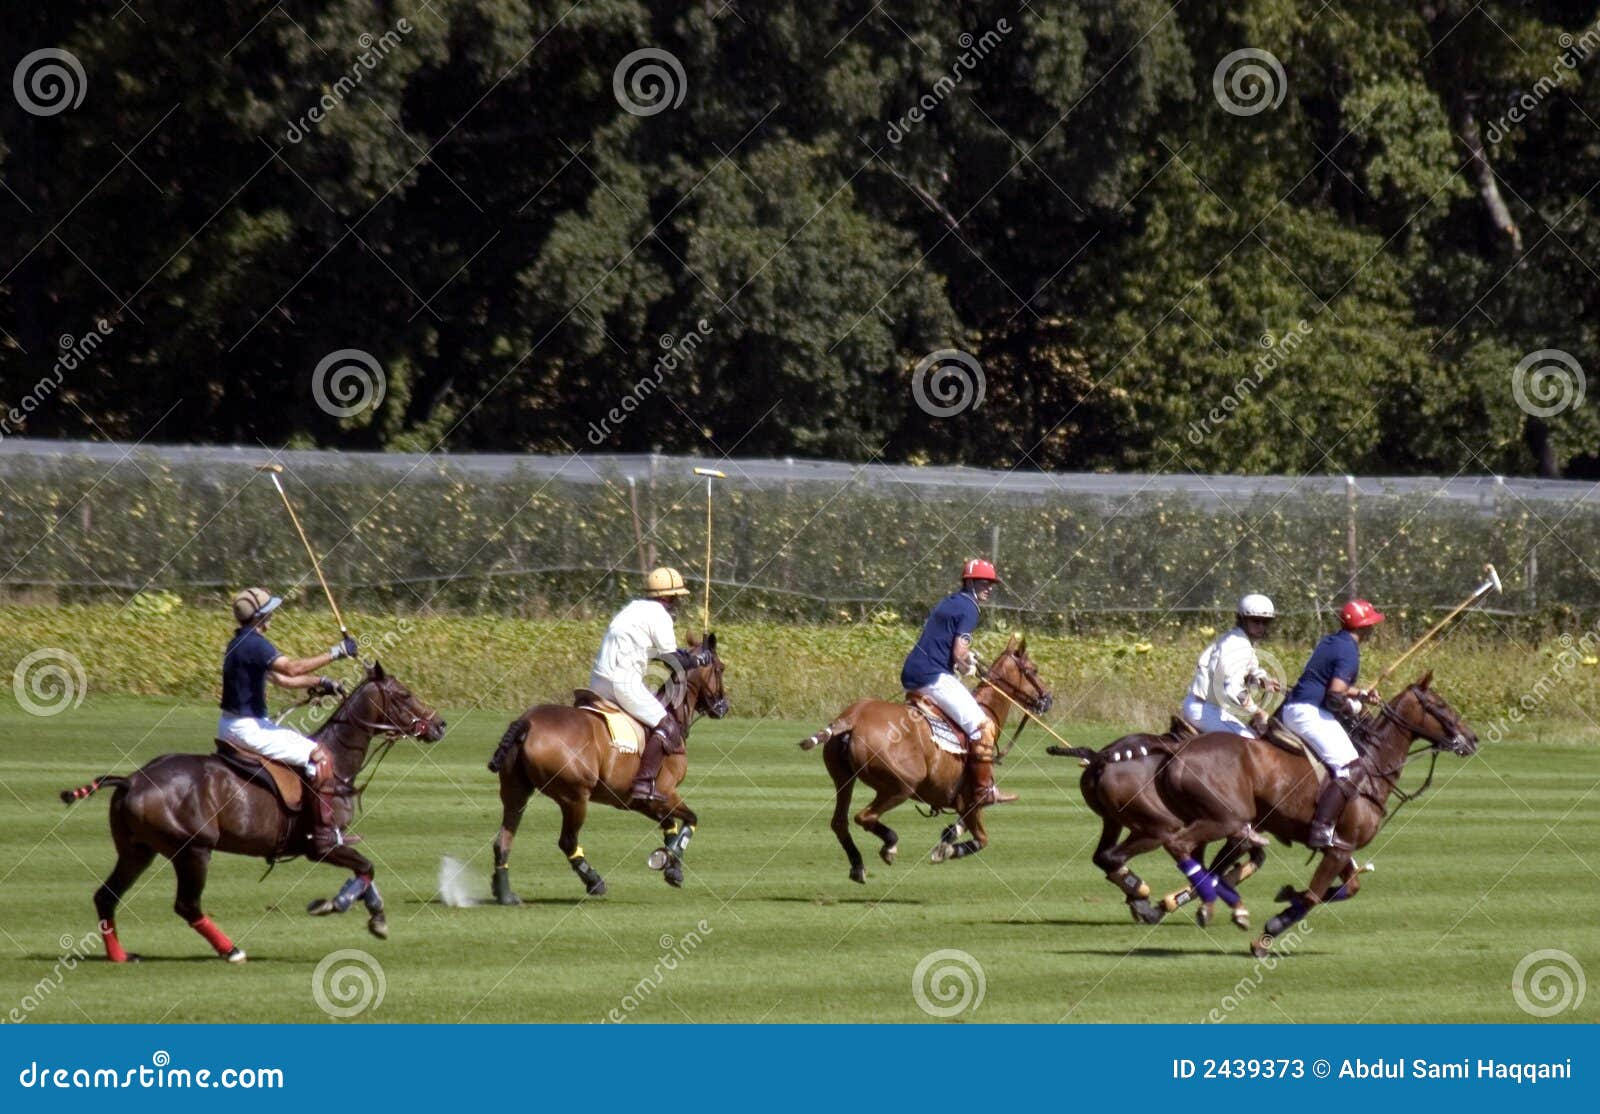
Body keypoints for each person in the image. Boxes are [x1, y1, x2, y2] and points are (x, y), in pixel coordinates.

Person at [218, 587, 358, 855]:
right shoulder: (255, 644)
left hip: (231, 725)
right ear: (260, 616)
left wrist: (322, 682)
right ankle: (325, 832)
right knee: (321, 756)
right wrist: (336, 652)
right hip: (249, 729)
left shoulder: (237, 642)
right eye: (269, 611)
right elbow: (292, 668)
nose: (273, 615)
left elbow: (284, 680)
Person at [901, 558, 1013, 806]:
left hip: (912, 673)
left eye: (992, 583)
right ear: (971, 582)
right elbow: (958, 651)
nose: (990, 587)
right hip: (933, 675)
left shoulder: (949, 601)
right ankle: (984, 789)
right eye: (985, 582)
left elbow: (943, 640)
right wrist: (967, 664)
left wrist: (964, 659)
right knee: (984, 727)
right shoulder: (970, 609)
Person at [1280, 598, 1385, 849]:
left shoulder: (1332, 641)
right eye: (1370, 623)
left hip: (1294, 707)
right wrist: (1354, 707)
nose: (1372, 628)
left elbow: (1330, 685)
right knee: (1351, 767)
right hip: (1308, 711)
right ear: (1363, 627)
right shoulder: (1349, 651)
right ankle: (1321, 828)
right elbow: (1335, 696)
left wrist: (1358, 693)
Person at [589, 567, 693, 804]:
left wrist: (684, 654)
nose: (677, 603)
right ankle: (644, 783)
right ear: (668, 597)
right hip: (623, 683)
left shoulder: (631, 609)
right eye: (676, 598)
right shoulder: (660, 615)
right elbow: (671, 660)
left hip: (597, 682)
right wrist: (698, 659)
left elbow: (657, 653)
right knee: (666, 724)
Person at [1181, 593, 1281, 736]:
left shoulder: (1240, 640)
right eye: (1255, 621)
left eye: (1265, 622)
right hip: (1204, 709)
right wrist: (1256, 712)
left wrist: (1263, 680)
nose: (1260, 626)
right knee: (1250, 742)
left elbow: (1251, 668)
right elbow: (1232, 688)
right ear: (1242, 619)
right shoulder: (1237, 645)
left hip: (1211, 708)